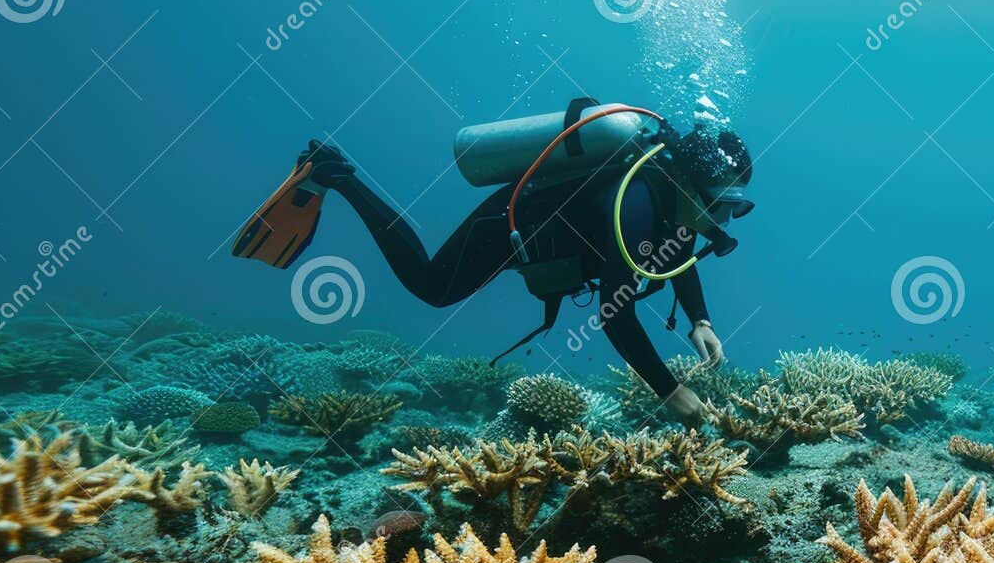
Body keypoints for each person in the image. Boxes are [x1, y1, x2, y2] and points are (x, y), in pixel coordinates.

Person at [290, 122, 753, 424]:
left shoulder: (681, 208)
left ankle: (336, 174)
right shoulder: (635, 206)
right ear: (687, 185)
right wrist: (671, 391)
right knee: (431, 286)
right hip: (511, 225)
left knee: (435, 287)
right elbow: (615, 313)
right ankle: (337, 174)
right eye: (722, 206)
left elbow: (681, 260)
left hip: (555, 248)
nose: (724, 222)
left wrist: (701, 321)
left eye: (737, 210)